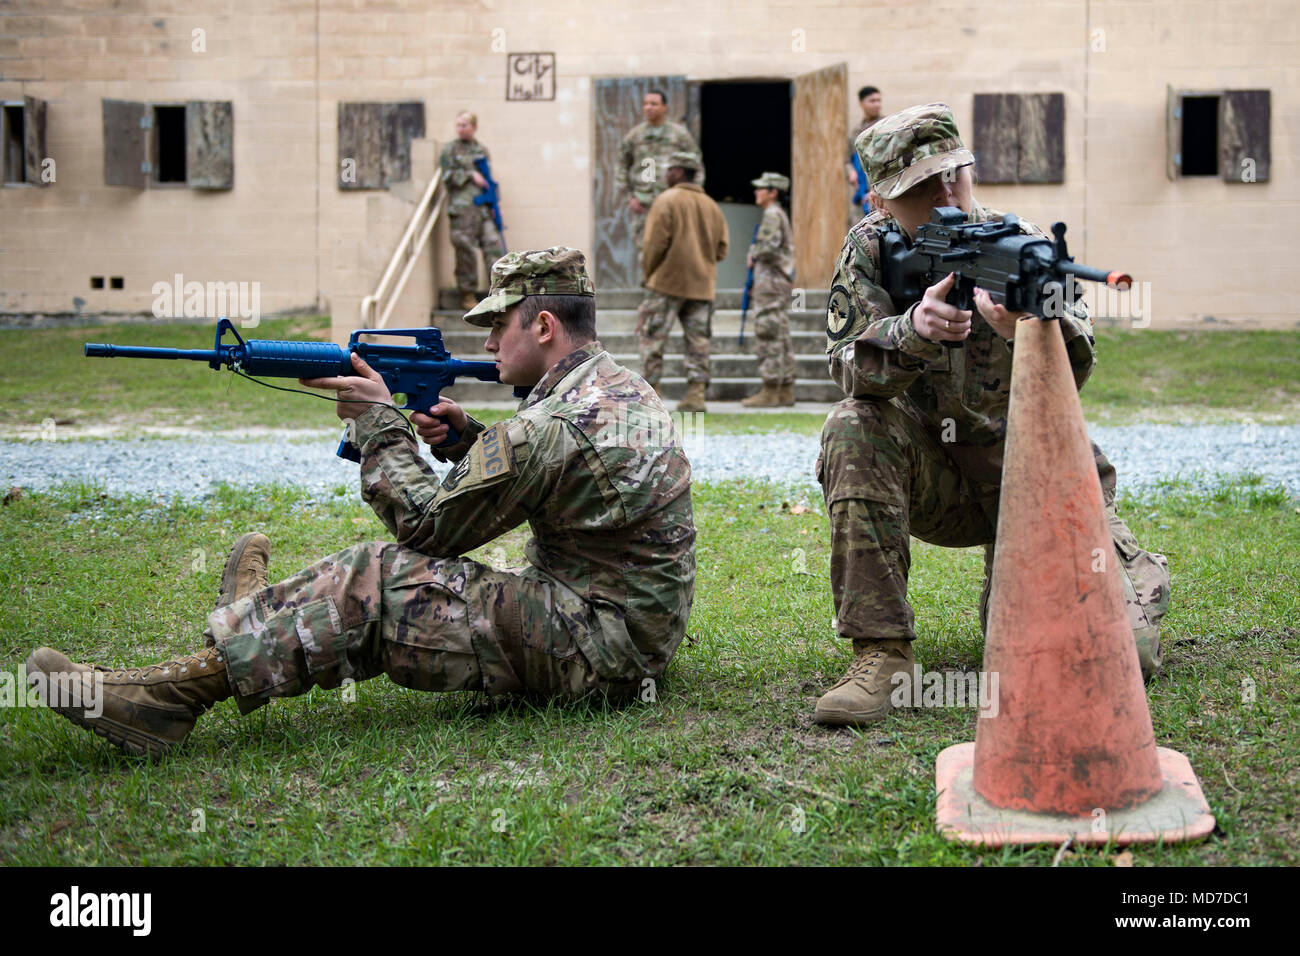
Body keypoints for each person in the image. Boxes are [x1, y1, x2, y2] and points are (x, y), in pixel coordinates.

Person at [25, 248, 697, 758]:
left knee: (378, 576)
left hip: (601, 648)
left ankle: (168, 698)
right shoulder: (615, 387)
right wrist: (468, 439)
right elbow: (569, 475)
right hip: (634, 626)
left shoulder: (546, 426)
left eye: (499, 327)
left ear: (543, 324)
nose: (490, 345)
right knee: (380, 575)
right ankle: (257, 619)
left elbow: (428, 528)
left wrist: (380, 423)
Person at [813, 103, 1170, 727]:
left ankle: (1030, 592)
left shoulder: (1024, 247)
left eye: (955, 174)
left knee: (1124, 655)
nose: (946, 193)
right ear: (880, 201)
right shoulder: (870, 250)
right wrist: (910, 331)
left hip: (1033, 479)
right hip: (935, 479)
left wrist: (1028, 332)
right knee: (850, 426)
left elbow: (1077, 374)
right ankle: (883, 654)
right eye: (923, 186)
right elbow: (846, 368)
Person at [638, 150, 728, 414]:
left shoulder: (666, 200)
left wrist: (648, 274)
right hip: (702, 285)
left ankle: (652, 392)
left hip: (666, 282)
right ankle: (696, 394)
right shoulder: (712, 205)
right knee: (698, 341)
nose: (666, 174)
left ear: (678, 172)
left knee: (653, 337)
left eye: (669, 169)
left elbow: (654, 244)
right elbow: (722, 250)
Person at [618, 90, 703, 257]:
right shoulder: (635, 136)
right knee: (647, 251)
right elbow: (621, 165)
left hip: (674, 202)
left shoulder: (679, 135)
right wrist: (630, 197)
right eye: (645, 104)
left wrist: (693, 195)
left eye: (653, 104)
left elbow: (697, 165)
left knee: (676, 249)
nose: (648, 108)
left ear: (664, 107)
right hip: (645, 203)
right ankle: (649, 283)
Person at [740, 171, 797, 408]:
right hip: (775, 282)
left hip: (770, 282)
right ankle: (785, 389)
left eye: (762, 188)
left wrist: (753, 252)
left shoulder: (772, 215)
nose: (757, 191)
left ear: (773, 192)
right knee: (779, 332)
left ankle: (771, 389)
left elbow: (768, 248)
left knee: (768, 331)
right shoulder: (778, 214)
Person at [440, 111, 506, 311]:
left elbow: (489, 181)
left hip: (483, 210)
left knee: (494, 248)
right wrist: (469, 175)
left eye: (465, 125)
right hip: (462, 211)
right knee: (465, 252)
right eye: (458, 124)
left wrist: (494, 206)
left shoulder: (481, 150)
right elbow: (446, 176)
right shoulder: (450, 149)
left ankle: (498, 293)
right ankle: (467, 295)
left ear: (474, 127)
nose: (461, 128)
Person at [846, 86, 884, 225]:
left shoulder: (886, 126)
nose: (877, 104)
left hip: (881, 193)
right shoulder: (855, 132)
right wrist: (851, 173)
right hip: (861, 193)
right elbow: (847, 159)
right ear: (861, 103)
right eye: (872, 101)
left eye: (879, 100)